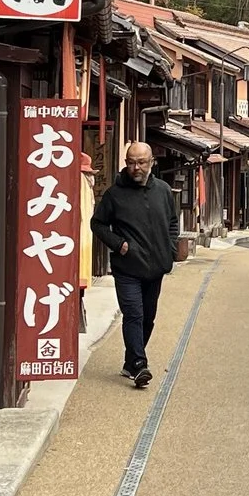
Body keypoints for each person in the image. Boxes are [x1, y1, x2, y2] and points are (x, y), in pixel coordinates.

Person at [91, 142, 178, 389]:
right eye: (131, 162)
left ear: (151, 163)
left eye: (141, 162)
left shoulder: (163, 191)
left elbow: (172, 222)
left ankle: (130, 363)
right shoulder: (114, 194)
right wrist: (119, 244)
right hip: (127, 267)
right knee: (134, 314)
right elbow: (97, 224)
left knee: (148, 318)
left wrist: (170, 249)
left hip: (156, 266)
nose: (136, 167)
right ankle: (140, 364)